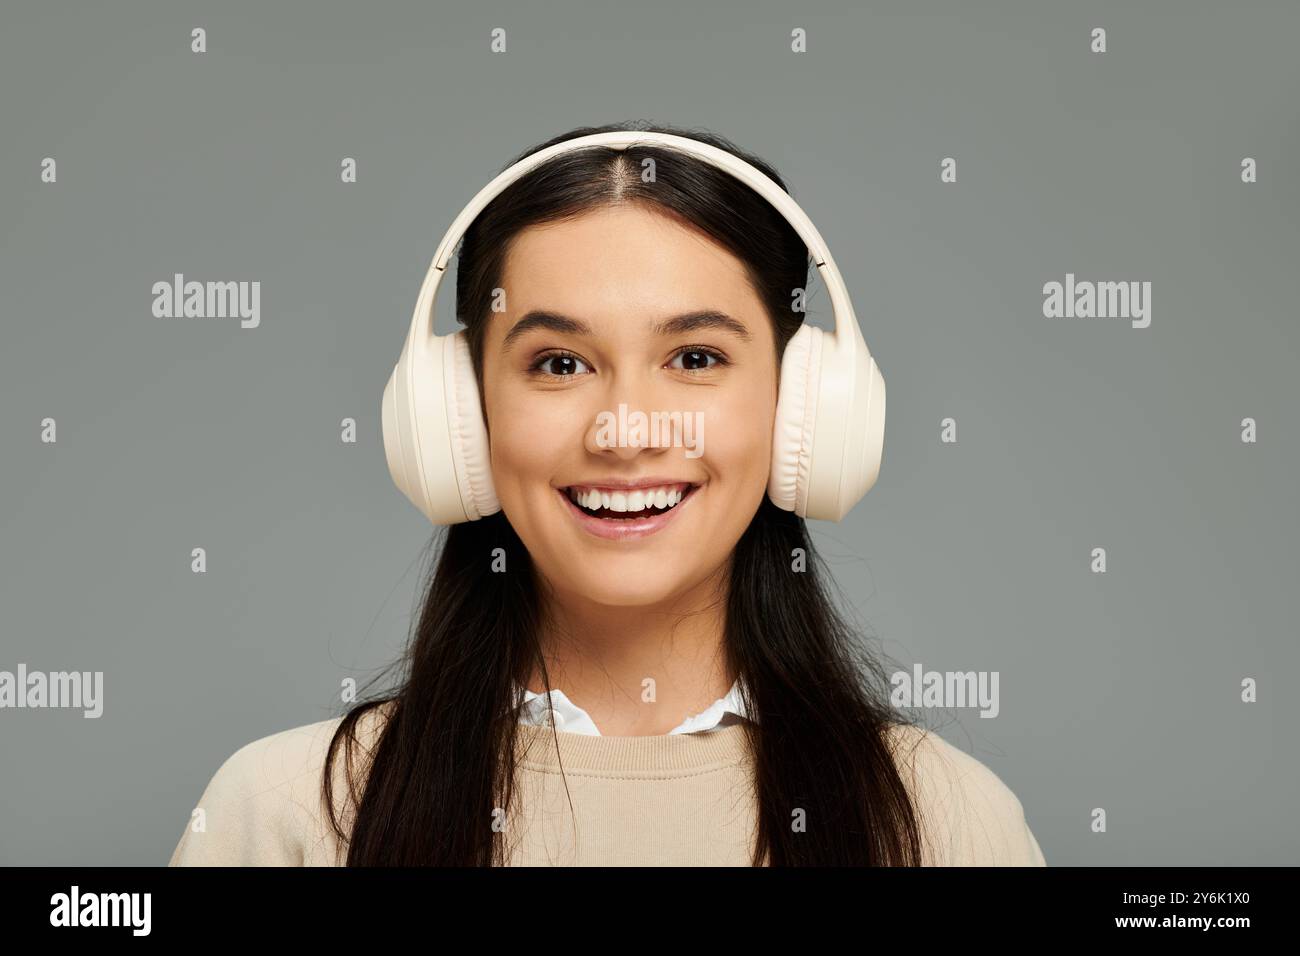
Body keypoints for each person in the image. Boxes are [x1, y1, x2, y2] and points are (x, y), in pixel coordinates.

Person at [168, 121, 1046, 867]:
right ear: (461, 415)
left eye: (696, 359)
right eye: (559, 364)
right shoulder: (283, 818)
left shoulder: (948, 827)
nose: (626, 431)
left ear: (800, 404)